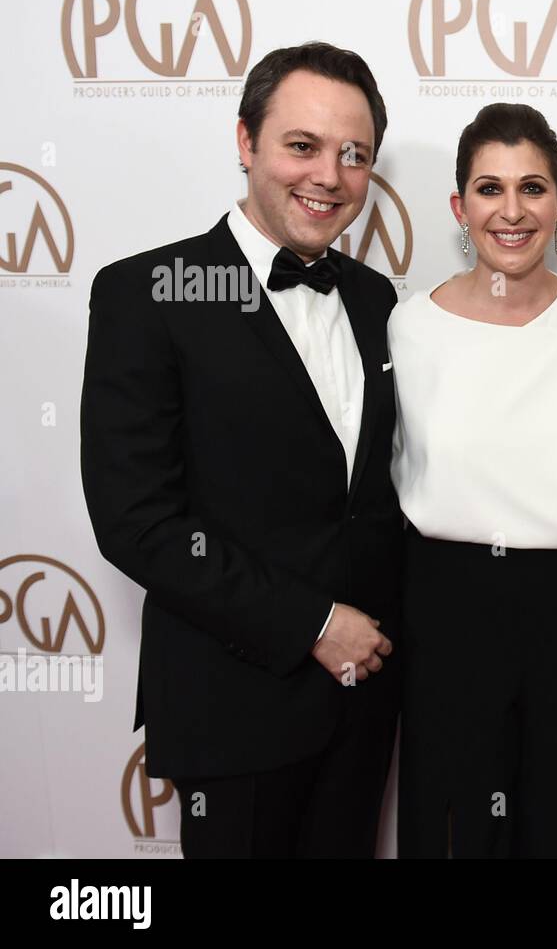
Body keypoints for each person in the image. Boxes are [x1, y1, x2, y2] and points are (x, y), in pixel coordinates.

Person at [80, 42, 403, 858]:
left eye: (353, 155)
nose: (329, 175)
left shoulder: (374, 299)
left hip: (366, 705)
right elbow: (136, 520)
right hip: (234, 706)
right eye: (303, 146)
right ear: (245, 141)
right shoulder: (150, 292)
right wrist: (313, 623)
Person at [391, 103, 557, 858]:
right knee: (458, 819)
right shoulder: (407, 325)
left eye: (533, 188)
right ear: (460, 208)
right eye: (489, 189)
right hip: (446, 605)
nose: (512, 210)